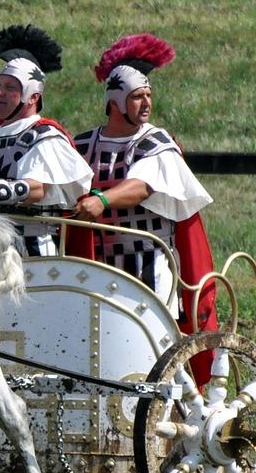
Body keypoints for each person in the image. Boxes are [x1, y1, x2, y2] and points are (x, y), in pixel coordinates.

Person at [71, 33, 213, 316]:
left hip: (148, 264)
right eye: (137, 97)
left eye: (148, 95)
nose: (146, 102)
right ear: (115, 103)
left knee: (156, 347)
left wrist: (102, 199)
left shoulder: (157, 143)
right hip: (95, 265)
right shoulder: (82, 144)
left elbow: (142, 186)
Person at [0, 24, 92, 255]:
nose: (0, 93)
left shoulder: (45, 137)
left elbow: (36, 189)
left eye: (10, 88)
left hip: (34, 250)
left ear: (32, 97)